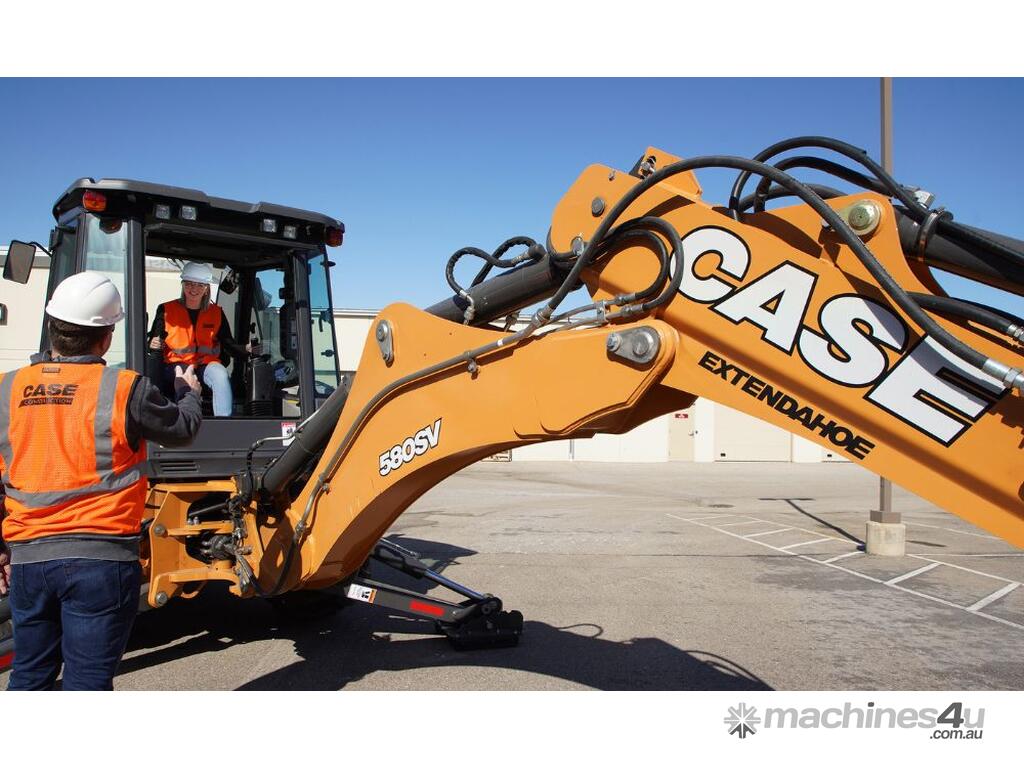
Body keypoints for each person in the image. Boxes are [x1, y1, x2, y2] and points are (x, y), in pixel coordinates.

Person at [0, 271, 202, 690]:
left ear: (51, 324)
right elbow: (182, 430)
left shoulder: (8, 390)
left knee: (29, 676)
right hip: (102, 560)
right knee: (87, 682)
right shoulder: (125, 388)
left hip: (28, 561)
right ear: (106, 337)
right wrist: (189, 391)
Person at [148, 262, 251, 417]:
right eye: (189, 284)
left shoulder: (216, 313)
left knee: (221, 375)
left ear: (206, 289)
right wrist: (153, 343)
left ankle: (224, 427)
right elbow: (155, 339)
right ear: (183, 285)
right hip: (175, 364)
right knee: (183, 377)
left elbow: (228, 343)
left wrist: (246, 350)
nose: (193, 289)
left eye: (199, 285)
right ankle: (183, 424)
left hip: (205, 364)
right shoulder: (166, 310)